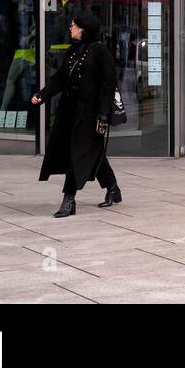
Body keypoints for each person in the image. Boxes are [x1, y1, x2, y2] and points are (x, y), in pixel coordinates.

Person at [30, 13, 120, 217]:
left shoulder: (100, 52)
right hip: (70, 110)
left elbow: (108, 85)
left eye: (73, 26)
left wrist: (104, 114)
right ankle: (113, 188)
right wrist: (42, 95)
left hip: (90, 113)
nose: (70, 29)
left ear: (83, 28)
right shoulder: (72, 52)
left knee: (76, 152)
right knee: (91, 151)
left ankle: (69, 199)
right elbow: (60, 79)